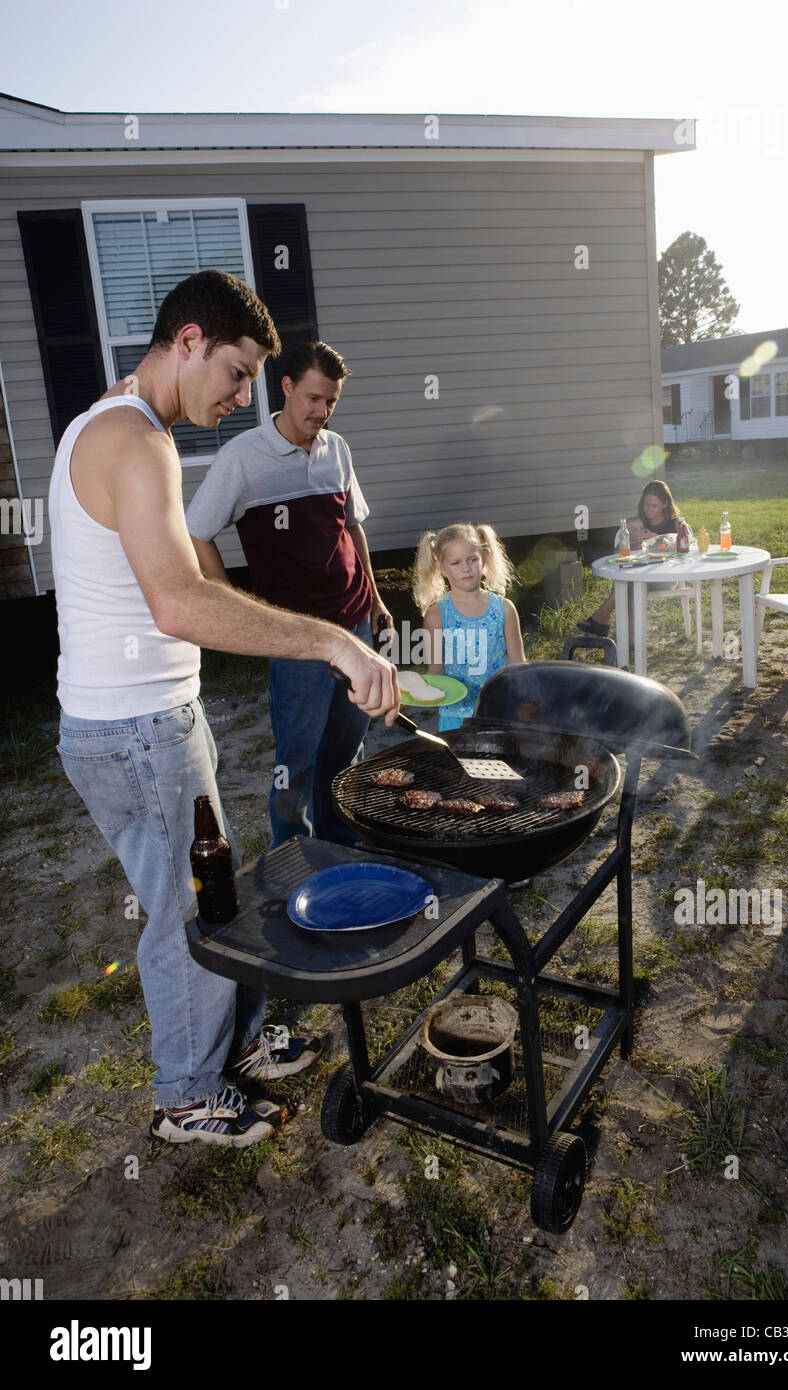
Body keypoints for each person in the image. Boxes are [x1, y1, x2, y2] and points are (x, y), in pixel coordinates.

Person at [49, 270, 400, 1147]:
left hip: (145, 720)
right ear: (191, 341)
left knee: (210, 895)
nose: (244, 395)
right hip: (134, 729)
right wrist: (330, 640)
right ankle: (187, 1095)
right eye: (239, 372)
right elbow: (176, 602)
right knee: (183, 913)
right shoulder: (138, 442)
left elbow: (176, 588)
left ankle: (237, 1042)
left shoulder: (108, 420)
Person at [186, 341, 392, 848]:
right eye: (314, 398)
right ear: (286, 388)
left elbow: (352, 528)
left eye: (332, 402)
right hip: (294, 638)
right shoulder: (243, 458)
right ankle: (293, 853)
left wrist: (377, 598)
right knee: (296, 758)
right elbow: (196, 531)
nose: (322, 411)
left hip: (354, 622)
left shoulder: (337, 450)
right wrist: (229, 600)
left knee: (346, 748)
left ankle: (340, 842)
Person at [413, 522, 525, 729]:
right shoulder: (436, 615)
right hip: (455, 717)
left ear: (484, 559)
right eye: (455, 563)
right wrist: (414, 688)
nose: (465, 568)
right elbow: (436, 670)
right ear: (441, 568)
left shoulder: (504, 609)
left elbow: (517, 665)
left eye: (472, 559)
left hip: (498, 713)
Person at [577, 480, 692, 637]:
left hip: (665, 576)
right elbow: (616, 553)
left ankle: (602, 620)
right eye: (646, 504)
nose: (649, 510)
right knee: (630, 582)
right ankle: (630, 643)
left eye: (654, 506)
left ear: (665, 504)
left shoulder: (675, 524)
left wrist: (657, 539)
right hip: (640, 575)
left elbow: (688, 547)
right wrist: (633, 543)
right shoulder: (637, 523)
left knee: (629, 581)